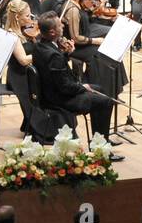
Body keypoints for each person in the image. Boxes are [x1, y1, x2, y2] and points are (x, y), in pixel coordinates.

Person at [31, 12, 120, 158]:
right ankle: (101, 149)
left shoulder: (40, 46)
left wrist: (66, 54)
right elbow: (65, 87)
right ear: (52, 32)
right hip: (59, 100)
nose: (63, 26)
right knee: (105, 101)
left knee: (100, 90)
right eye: (60, 25)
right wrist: (82, 87)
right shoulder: (54, 55)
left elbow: (55, 73)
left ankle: (99, 141)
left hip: (50, 93)